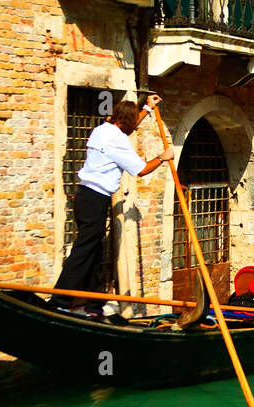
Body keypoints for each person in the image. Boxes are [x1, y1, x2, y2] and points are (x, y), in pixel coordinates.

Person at [52, 94, 173, 313]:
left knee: (94, 250)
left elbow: (129, 125)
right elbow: (141, 169)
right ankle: (59, 301)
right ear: (124, 124)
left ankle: (94, 304)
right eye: (132, 125)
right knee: (83, 250)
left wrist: (146, 107)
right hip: (95, 199)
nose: (133, 130)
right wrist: (163, 157)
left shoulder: (102, 129)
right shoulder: (118, 141)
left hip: (84, 197)